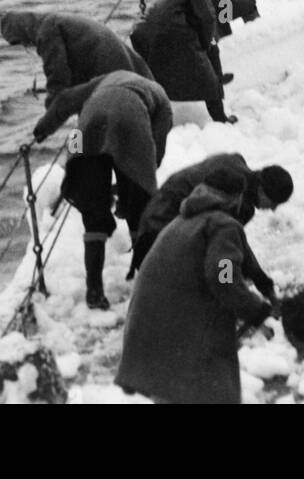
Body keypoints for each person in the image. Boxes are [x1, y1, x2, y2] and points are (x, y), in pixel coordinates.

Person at [116, 166, 273, 404]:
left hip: (149, 331)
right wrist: (258, 313)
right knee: (213, 393)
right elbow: (224, 278)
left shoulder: (184, 219)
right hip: (181, 336)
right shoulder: (223, 226)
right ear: (237, 198)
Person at [32, 69, 173, 310]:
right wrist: (139, 177)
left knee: (93, 214)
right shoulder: (160, 96)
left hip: (86, 126)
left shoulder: (104, 81)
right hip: (132, 121)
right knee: (140, 210)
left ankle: (94, 291)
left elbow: (65, 100)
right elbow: (155, 148)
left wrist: (42, 130)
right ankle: (150, 283)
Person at [128, 152, 293, 277]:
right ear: (262, 190)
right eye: (274, 202)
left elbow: (233, 244)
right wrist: (235, 288)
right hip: (158, 250)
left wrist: (258, 278)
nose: (272, 209)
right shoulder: (236, 203)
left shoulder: (234, 166)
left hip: (149, 232)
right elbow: (224, 258)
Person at [131, 0, 235, 124]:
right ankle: (219, 116)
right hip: (176, 29)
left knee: (152, 74)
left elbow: (138, 34)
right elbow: (208, 20)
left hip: (144, 34)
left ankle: (151, 118)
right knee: (211, 56)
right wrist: (206, 46)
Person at [0, 11, 152, 106]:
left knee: (84, 120)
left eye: (19, 41)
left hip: (115, 76)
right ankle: (77, 152)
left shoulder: (46, 30)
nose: (24, 45)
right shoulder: (55, 20)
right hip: (132, 72)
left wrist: (52, 109)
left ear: (22, 31)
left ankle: (76, 153)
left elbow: (57, 74)